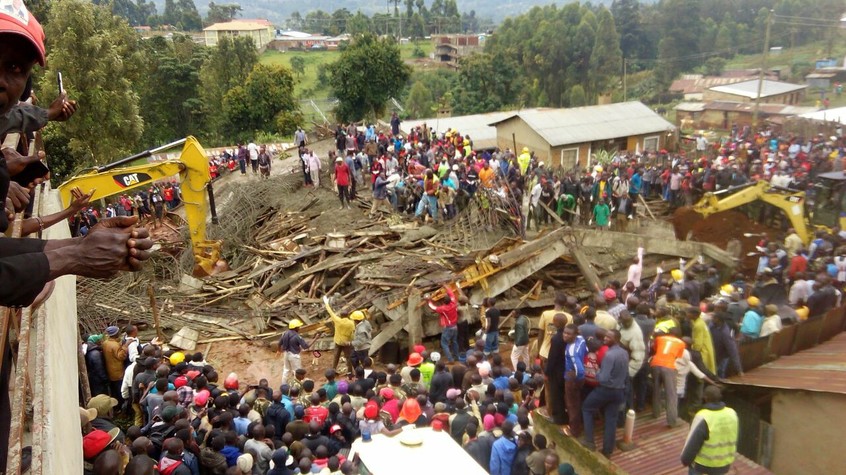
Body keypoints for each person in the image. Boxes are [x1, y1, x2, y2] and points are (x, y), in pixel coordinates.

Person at [580, 329, 628, 457]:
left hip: (606, 389)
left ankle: (589, 441)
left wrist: (597, 373)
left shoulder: (609, 355)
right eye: (606, 336)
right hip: (619, 390)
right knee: (611, 419)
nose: (605, 339)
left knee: (587, 408)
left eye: (609, 337)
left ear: (616, 339)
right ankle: (608, 450)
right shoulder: (624, 353)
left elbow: (604, 377)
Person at [680, 386, 739, 475]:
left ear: (705, 398)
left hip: (702, 466)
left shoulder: (702, 416)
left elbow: (692, 443)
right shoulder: (732, 413)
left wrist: (685, 460)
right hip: (724, 465)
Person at [650, 328, 685, 428]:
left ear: (669, 333)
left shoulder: (660, 338)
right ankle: (672, 421)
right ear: (679, 335)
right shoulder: (681, 343)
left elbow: (655, 349)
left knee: (656, 390)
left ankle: (656, 413)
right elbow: (677, 356)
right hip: (669, 366)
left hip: (655, 363)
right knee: (671, 394)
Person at [543, 313, 567, 425]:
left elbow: (552, 358)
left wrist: (547, 371)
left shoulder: (556, 338)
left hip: (557, 371)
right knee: (563, 394)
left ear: (557, 323)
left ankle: (558, 418)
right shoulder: (568, 335)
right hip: (566, 369)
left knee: (556, 395)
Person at [562, 324, 586, 437]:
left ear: (574, 334)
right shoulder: (580, 339)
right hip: (575, 377)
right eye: (565, 332)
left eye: (568, 334)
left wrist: (576, 380)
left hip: (572, 379)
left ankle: (574, 430)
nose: (565, 335)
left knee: (572, 405)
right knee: (576, 402)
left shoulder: (572, 351)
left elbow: (580, 370)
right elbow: (586, 349)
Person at [323, 296, 355, 376]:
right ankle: (350, 372)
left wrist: (326, 303)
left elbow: (330, 312)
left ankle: (333, 371)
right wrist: (351, 341)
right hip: (346, 343)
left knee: (336, 357)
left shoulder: (338, 321)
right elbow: (352, 333)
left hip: (338, 342)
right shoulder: (351, 323)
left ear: (341, 316)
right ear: (347, 316)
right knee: (348, 358)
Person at [428, 285, 459, 363]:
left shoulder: (443, 308)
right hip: (455, 326)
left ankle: (450, 360)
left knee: (444, 343)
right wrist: (446, 286)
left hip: (448, 327)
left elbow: (433, 307)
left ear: (443, 302)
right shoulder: (453, 303)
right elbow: (452, 294)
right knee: (454, 341)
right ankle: (456, 357)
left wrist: (428, 301)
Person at [278, 319, 308, 385]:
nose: (299, 328)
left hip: (286, 354)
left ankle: (283, 385)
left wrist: (279, 351)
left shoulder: (285, 333)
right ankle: (297, 387)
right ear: (296, 327)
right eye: (298, 327)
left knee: (286, 370)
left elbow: (279, 343)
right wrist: (316, 338)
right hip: (294, 356)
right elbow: (306, 346)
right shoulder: (297, 336)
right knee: (297, 372)